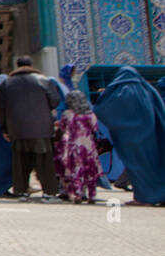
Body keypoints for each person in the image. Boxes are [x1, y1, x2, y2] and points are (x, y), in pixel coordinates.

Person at [93, 67, 165, 205]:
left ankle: (144, 198)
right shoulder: (147, 90)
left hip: (130, 140)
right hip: (151, 138)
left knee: (138, 169)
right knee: (155, 166)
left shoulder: (122, 90)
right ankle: (159, 195)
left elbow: (102, 109)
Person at [0, 56, 62, 202]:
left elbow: (1, 108)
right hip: (41, 128)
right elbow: (55, 101)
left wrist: (4, 129)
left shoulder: (6, 83)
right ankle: (49, 193)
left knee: (20, 161)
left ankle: (21, 192)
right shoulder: (43, 80)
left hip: (17, 128)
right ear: (31, 65)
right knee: (44, 161)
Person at [54, 89, 101, 203]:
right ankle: (92, 196)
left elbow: (63, 128)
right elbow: (95, 129)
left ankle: (77, 194)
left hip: (73, 146)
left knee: (75, 169)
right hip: (89, 146)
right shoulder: (92, 115)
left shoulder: (68, 114)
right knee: (90, 170)